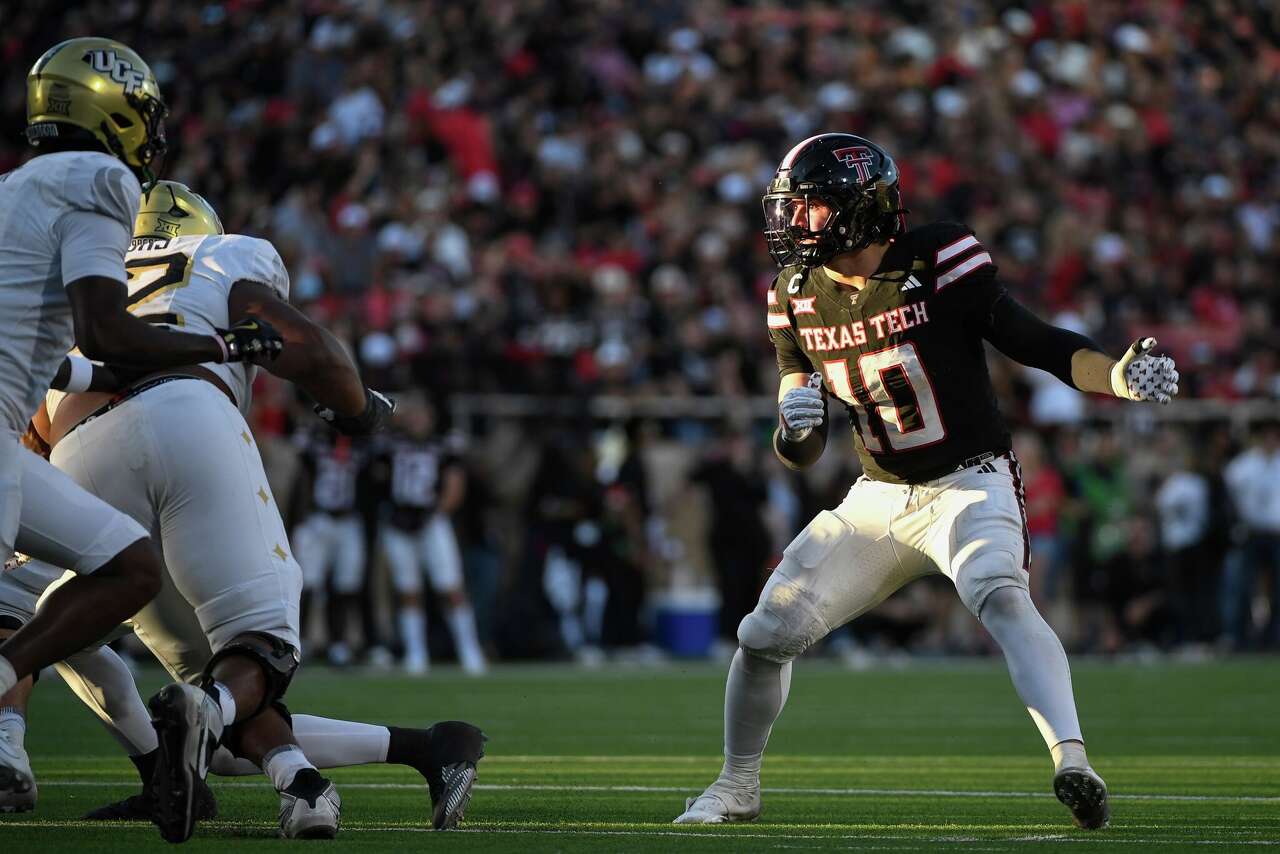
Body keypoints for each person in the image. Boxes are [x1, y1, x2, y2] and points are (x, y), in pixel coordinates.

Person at [674, 133, 1179, 831]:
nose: (794, 223)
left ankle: (1072, 760)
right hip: (877, 498)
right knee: (765, 632)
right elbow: (802, 448)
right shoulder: (794, 294)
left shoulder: (939, 258)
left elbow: (1031, 340)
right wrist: (793, 427)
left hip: (970, 484)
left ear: (857, 209)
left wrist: (1115, 376)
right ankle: (737, 784)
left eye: (812, 207)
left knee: (1000, 593)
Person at [40, 181, 479, 842]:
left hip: (76, 455)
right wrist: (358, 409)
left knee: (122, 652)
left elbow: (29, 436)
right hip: (189, 415)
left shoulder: (75, 292)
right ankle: (191, 741)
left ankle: (308, 784)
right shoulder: (219, 254)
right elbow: (308, 345)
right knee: (257, 655)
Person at [0, 37, 284, 747]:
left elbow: (74, 365)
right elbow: (104, 331)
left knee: (127, 568)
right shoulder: (99, 177)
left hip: (17, 437)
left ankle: (17, 731)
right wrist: (215, 346)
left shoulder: (17, 188)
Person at [370, 394, 487, 675]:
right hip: (399, 521)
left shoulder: (444, 445)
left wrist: (438, 512)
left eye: (420, 413)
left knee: (450, 587)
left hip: (431, 520)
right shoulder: (390, 445)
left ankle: (470, 650)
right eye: (411, 414)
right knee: (408, 589)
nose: (415, 419)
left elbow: (454, 484)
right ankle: (415, 652)